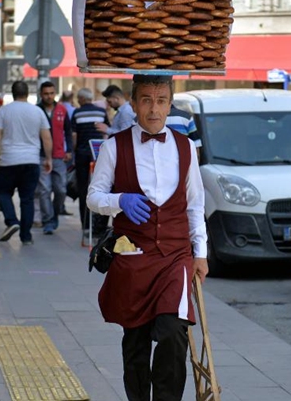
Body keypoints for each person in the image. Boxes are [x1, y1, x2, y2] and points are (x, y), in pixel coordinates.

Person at [87, 74, 208, 401]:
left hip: (175, 256)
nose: (153, 109)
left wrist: (201, 253)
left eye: (160, 100)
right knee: (136, 340)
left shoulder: (185, 148)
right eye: (146, 100)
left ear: (170, 105)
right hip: (133, 254)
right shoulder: (114, 146)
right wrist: (119, 200)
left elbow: (196, 203)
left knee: (173, 332)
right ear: (134, 103)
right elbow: (93, 197)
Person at [0, 80, 52, 245]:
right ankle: (26, 236)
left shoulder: (4, 110)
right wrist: (49, 158)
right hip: (31, 161)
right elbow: (46, 137)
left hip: (9, 160)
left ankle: (12, 221)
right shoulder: (37, 111)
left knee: (2, 192)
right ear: (27, 93)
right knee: (27, 199)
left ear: (13, 93)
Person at [72, 87, 109, 246]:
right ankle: (97, 225)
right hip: (98, 155)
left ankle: (86, 225)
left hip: (82, 155)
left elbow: (74, 136)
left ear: (81, 99)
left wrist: (74, 151)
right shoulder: (101, 113)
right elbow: (106, 132)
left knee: (83, 190)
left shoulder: (77, 113)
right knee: (100, 188)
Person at [36, 81, 72, 235]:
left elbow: (69, 132)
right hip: (41, 157)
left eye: (51, 93)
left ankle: (55, 214)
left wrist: (69, 150)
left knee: (61, 190)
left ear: (55, 93)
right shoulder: (36, 110)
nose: (49, 96)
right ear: (41, 94)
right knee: (44, 190)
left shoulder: (62, 110)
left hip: (58, 157)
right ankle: (48, 220)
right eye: (46, 93)